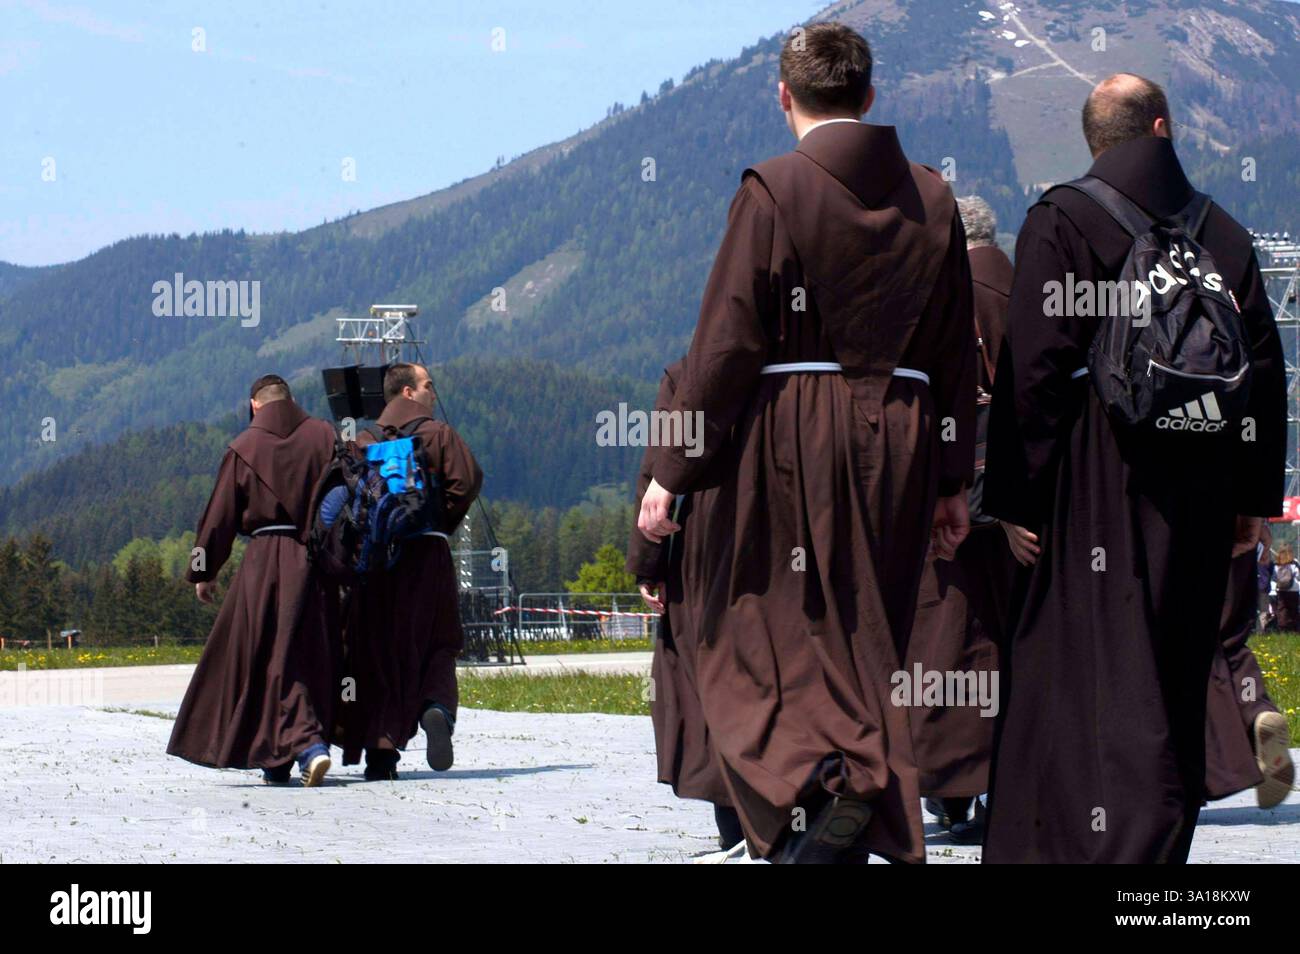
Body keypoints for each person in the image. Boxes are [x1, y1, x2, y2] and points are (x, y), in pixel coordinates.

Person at [638, 22, 975, 863]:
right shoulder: (934, 200)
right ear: (870, 94)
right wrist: (950, 480)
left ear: (784, 95)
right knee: (868, 636)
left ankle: (827, 786)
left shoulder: (773, 190)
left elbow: (725, 345)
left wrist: (672, 472)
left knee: (748, 630)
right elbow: (952, 350)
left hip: (790, 429)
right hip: (901, 435)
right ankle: (841, 802)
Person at [982, 74, 1286, 863]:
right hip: (1203, 488)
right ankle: (1154, 859)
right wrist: (1250, 503)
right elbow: (1262, 370)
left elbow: (1033, 372)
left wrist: (1016, 498)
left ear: (1095, 141)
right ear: (1164, 126)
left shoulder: (1062, 218)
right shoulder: (1223, 231)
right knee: (1175, 677)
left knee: (1076, 676)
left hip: (1091, 483)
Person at [906, 195, 1016, 844]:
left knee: (946, 634)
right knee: (1006, 637)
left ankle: (950, 782)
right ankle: (1000, 780)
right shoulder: (1027, 285)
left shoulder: (950, 294)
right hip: (1021, 501)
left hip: (955, 492)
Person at [168, 374, 340, 786]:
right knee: (309, 653)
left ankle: (306, 745)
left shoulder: (243, 447)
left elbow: (219, 517)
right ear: (292, 400)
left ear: (254, 406)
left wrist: (204, 571)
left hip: (263, 564)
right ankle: (275, 758)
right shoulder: (325, 435)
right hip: (316, 559)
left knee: (265, 657)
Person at [338, 362, 482, 780]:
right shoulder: (439, 435)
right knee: (439, 641)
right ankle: (436, 707)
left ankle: (381, 752)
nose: (433, 393)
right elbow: (468, 480)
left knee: (378, 650)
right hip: (428, 558)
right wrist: (437, 523)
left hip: (378, 564)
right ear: (406, 392)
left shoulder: (363, 440)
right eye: (427, 386)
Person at [627, 358, 744, 855]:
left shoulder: (691, 374)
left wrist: (648, 562)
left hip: (710, 538)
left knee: (712, 676)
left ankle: (734, 825)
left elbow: (660, 469)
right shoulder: (811, 367)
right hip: (802, 534)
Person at [1205, 523, 1294, 809]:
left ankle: (1213, 767)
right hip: (1232, 511)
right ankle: (1257, 710)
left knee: (1178, 646)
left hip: (1161, 513)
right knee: (1229, 638)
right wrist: (1260, 518)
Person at [1271, 543, 1300, 630]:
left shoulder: (1277, 563)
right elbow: (1298, 576)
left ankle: (1282, 627)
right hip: (1294, 590)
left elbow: (1274, 577)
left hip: (1281, 589)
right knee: (1293, 609)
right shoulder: (1294, 562)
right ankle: (1294, 627)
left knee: (1282, 609)